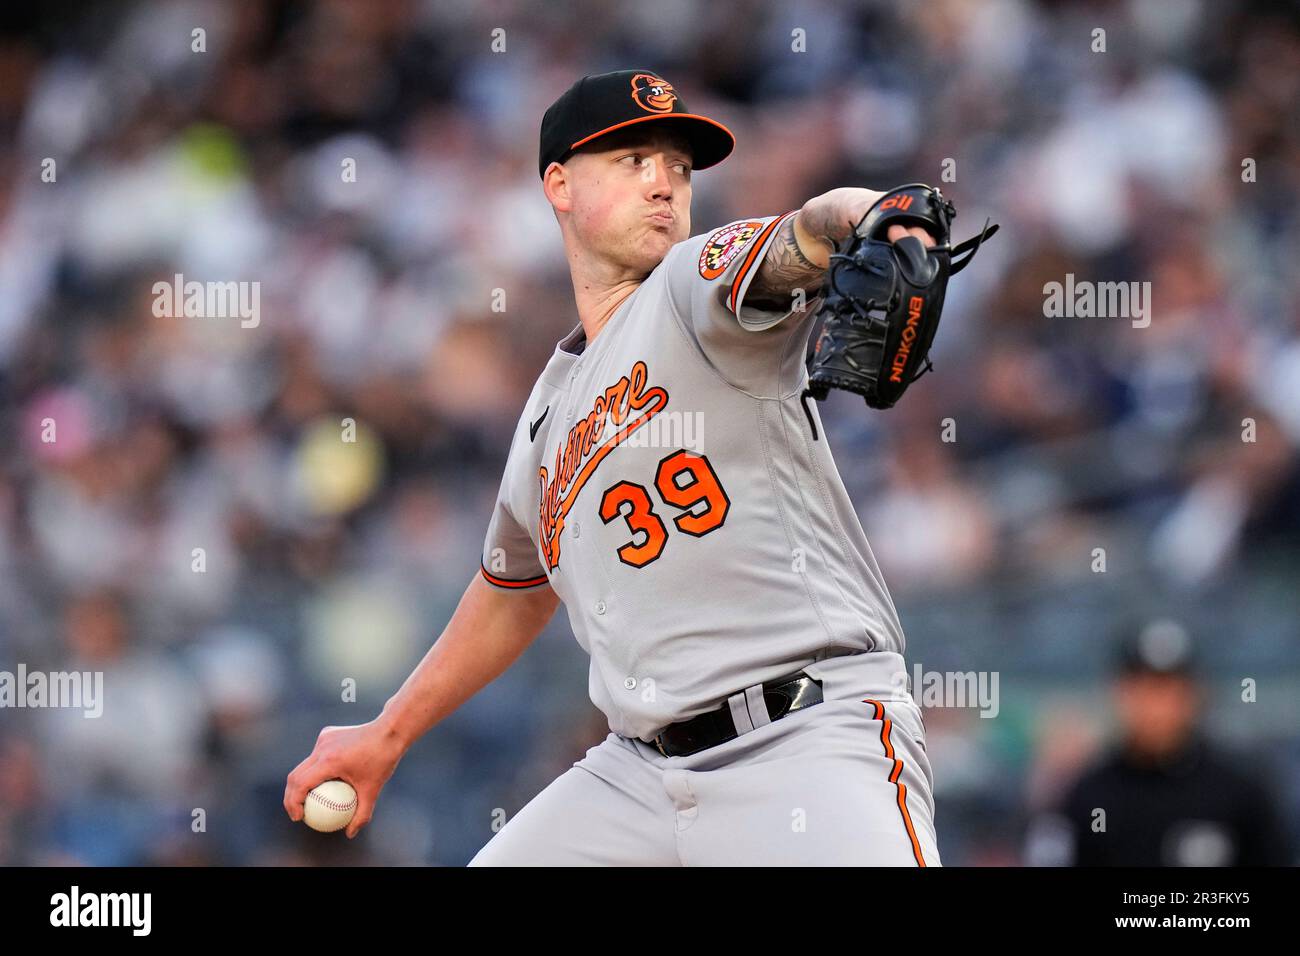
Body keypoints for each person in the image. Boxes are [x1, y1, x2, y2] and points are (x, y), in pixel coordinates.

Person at [285, 69, 944, 865]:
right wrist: (387, 732)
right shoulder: (545, 416)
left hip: (804, 740)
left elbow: (808, 233)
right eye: (633, 160)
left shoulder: (690, 288)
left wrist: (877, 214)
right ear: (558, 184)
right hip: (636, 778)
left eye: (678, 167)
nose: (664, 183)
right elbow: (510, 590)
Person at [1025, 618, 1292, 866]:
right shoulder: (1088, 795)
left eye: (1167, 690)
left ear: (1195, 694)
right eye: (1143, 689)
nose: (1156, 707)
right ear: (1119, 692)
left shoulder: (1239, 791)